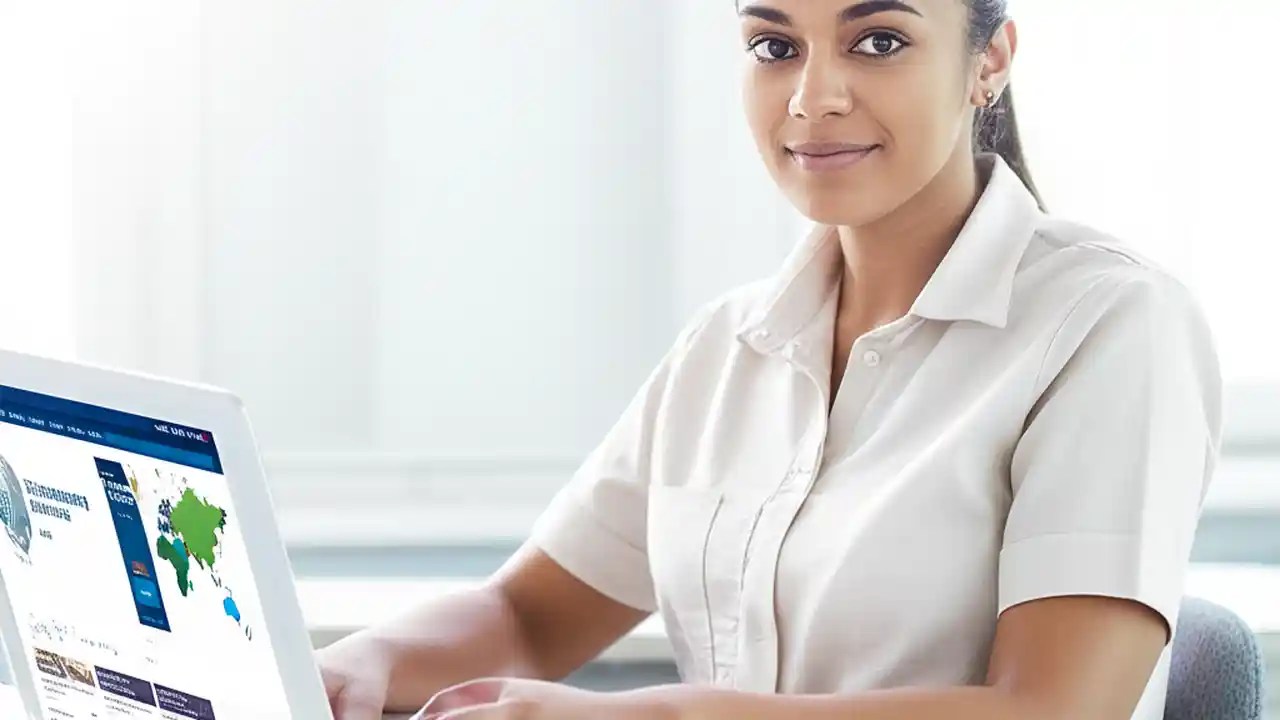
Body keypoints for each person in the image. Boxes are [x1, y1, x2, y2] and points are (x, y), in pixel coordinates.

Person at [318, 0, 1223, 718]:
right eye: (773, 46)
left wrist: (649, 719)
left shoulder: (1110, 324)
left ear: (988, 60)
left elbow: (1054, 711)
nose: (812, 96)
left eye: (877, 41)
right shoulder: (728, 346)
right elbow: (528, 616)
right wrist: (362, 662)